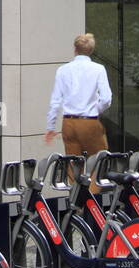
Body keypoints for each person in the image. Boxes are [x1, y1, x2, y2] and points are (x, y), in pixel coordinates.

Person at [45, 34, 112, 187]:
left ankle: (77, 202)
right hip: (89, 121)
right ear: (91, 50)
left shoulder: (62, 70)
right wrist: (96, 110)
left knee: (73, 166)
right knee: (97, 163)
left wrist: (50, 127)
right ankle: (93, 201)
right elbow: (106, 99)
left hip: (68, 122)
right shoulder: (98, 69)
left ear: (75, 50)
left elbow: (55, 101)